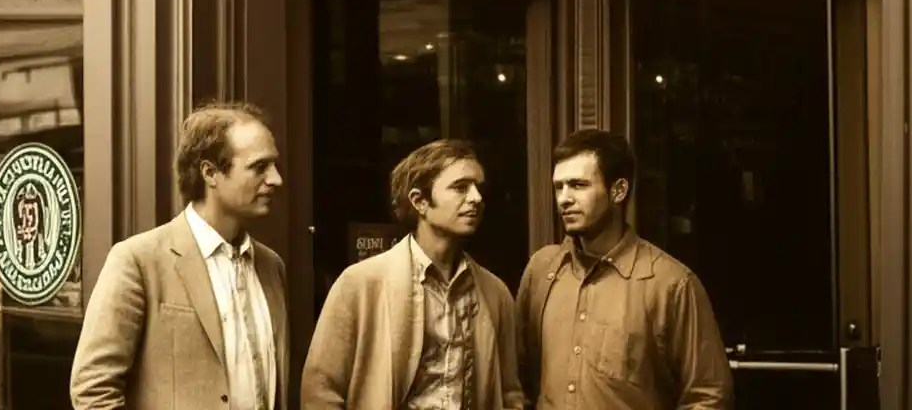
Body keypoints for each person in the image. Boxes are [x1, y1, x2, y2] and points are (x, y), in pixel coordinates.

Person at [70, 101, 289, 409]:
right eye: (259, 167)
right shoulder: (138, 261)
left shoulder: (270, 267)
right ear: (210, 173)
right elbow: (93, 387)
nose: (276, 179)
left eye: (275, 165)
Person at [515, 129, 733, 409]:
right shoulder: (542, 270)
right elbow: (517, 380)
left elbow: (709, 396)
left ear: (618, 190)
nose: (564, 199)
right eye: (559, 186)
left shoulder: (670, 283)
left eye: (578, 185)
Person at [302, 139, 525, 409]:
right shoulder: (361, 284)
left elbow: (510, 392)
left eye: (479, 187)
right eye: (460, 187)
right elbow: (320, 392)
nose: (476, 198)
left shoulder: (494, 292)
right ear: (419, 201)